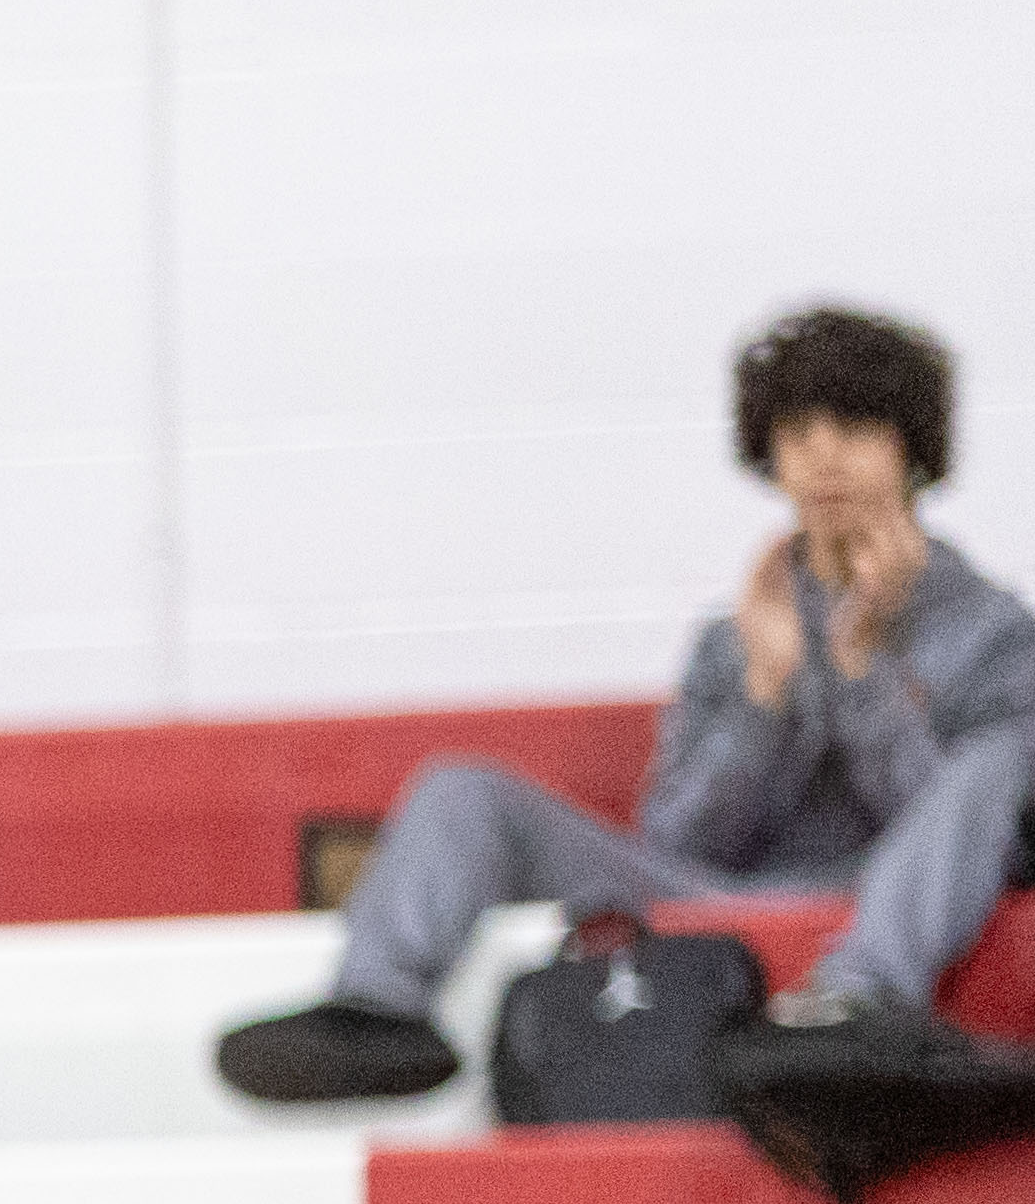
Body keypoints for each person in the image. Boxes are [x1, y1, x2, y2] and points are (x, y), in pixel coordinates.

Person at [220, 305, 1035, 1105]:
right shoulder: (733, 639)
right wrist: (761, 695)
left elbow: (974, 834)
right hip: (713, 898)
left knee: (998, 759)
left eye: (851, 428)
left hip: (884, 911)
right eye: (795, 434)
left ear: (908, 448)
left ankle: (853, 1004)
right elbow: (677, 840)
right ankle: (371, 1011)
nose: (821, 456)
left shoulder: (992, 630)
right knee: (461, 789)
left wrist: (864, 679)